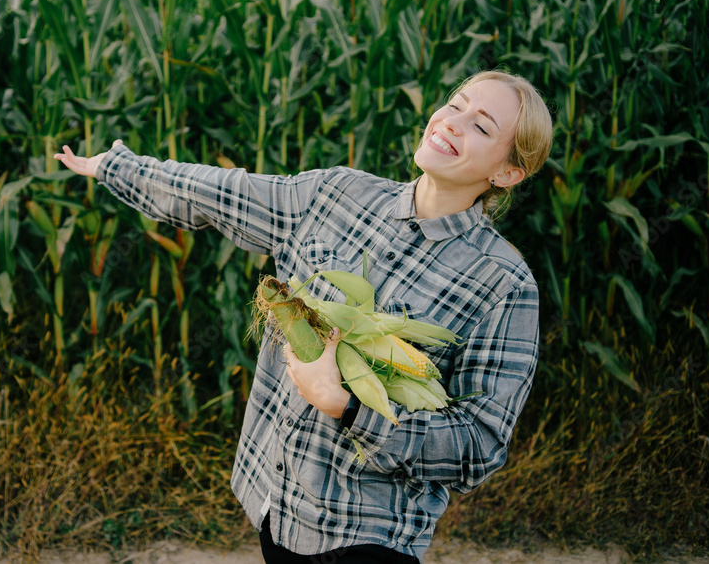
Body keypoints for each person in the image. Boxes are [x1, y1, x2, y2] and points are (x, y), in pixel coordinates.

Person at [54, 70, 554, 563]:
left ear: (507, 173)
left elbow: (479, 446)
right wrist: (115, 168)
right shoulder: (335, 194)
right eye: (455, 104)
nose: (452, 121)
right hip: (275, 501)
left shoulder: (504, 284)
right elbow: (222, 192)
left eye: (482, 126)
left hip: (369, 532)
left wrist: (348, 409)